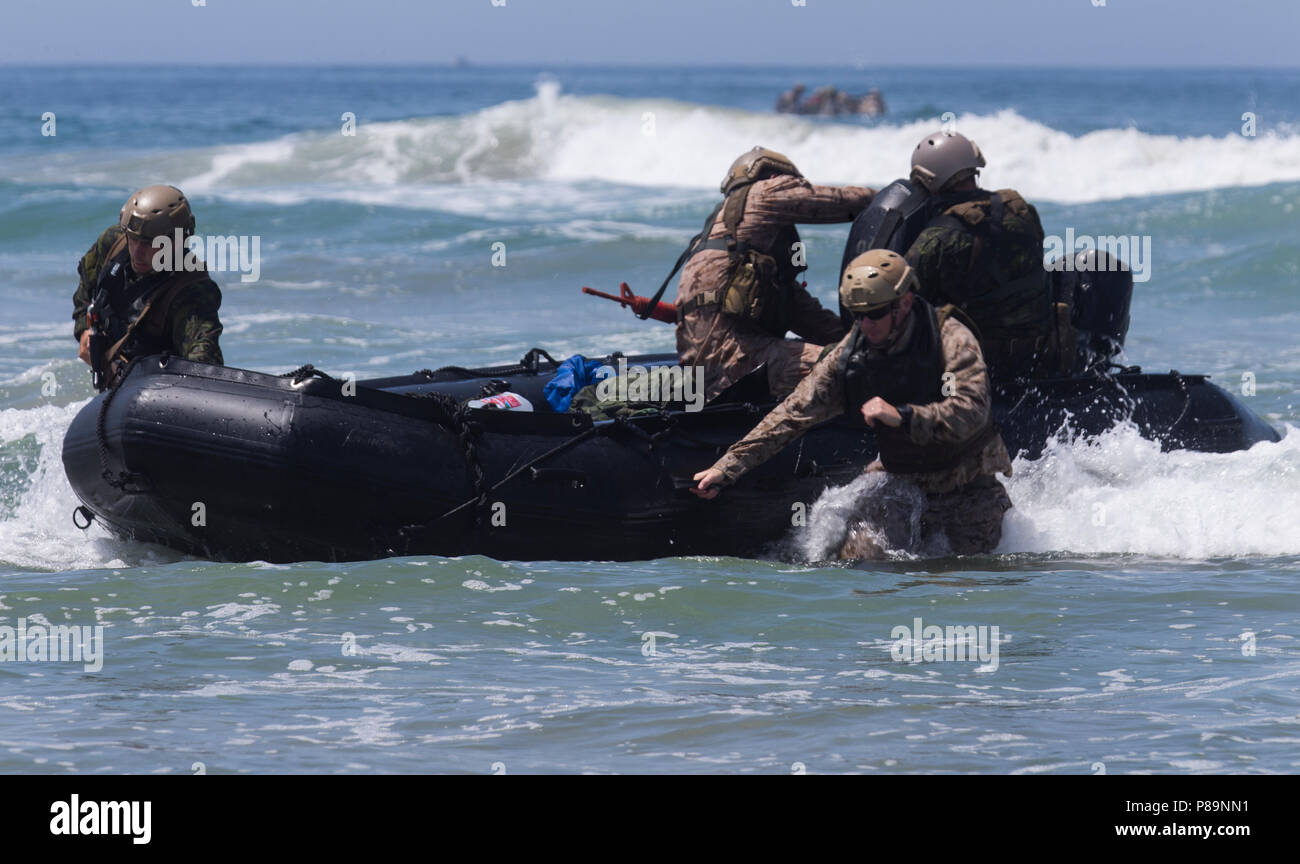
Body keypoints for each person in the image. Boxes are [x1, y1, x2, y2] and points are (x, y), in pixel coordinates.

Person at [692, 249, 1013, 559]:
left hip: (967, 483)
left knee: (962, 570)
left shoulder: (951, 338)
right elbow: (795, 412)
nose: (866, 325)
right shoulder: (854, 353)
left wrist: (905, 416)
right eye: (858, 315)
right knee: (859, 559)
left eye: (875, 314)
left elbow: (971, 409)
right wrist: (728, 466)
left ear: (904, 303)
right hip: (903, 480)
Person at [663, 147, 875, 402]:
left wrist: (866, 340)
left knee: (854, 359)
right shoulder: (763, 192)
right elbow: (845, 201)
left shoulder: (734, 250)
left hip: (708, 367)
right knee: (857, 372)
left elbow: (813, 320)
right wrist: (904, 192)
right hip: (734, 363)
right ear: (774, 177)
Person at [903, 131, 1067, 380]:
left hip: (977, 366)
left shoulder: (937, 238)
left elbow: (904, 302)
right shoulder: (1023, 212)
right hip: (1038, 356)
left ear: (928, 182)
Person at [73, 185, 224, 391]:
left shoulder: (191, 291)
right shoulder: (114, 243)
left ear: (176, 242)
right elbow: (86, 286)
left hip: (160, 396)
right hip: (113, 390)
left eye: (150, 244)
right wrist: (84, 330)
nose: (137, 252)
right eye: (133, 240)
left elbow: (205, 365)